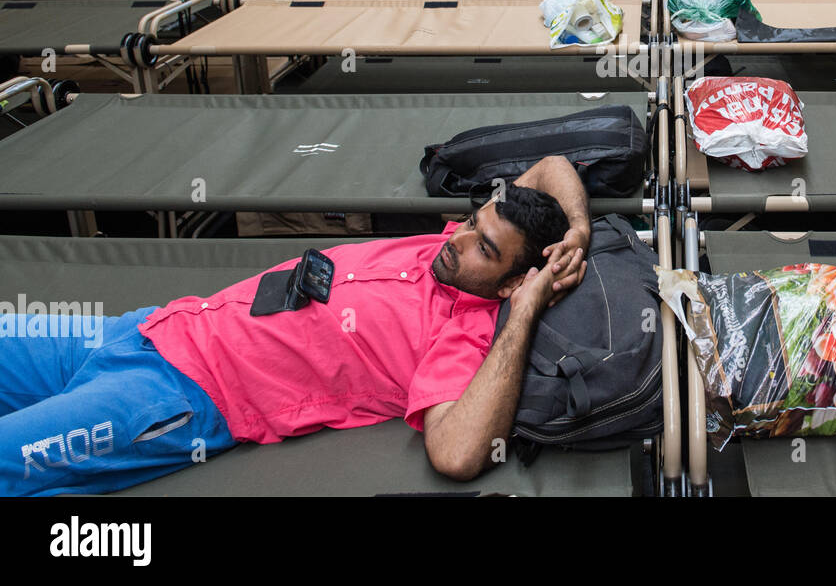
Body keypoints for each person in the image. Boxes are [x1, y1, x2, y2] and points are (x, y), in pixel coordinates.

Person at [0, 159, 593, 495]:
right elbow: (552, 167)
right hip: (152, 327)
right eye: (470, 222)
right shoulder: (453, 247)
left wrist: (529, 304)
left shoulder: (465, 332)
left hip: (174, 395)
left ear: (512, 282)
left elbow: (459, 453)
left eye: (482, 248)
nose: (457, 237)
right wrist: (578, 231)